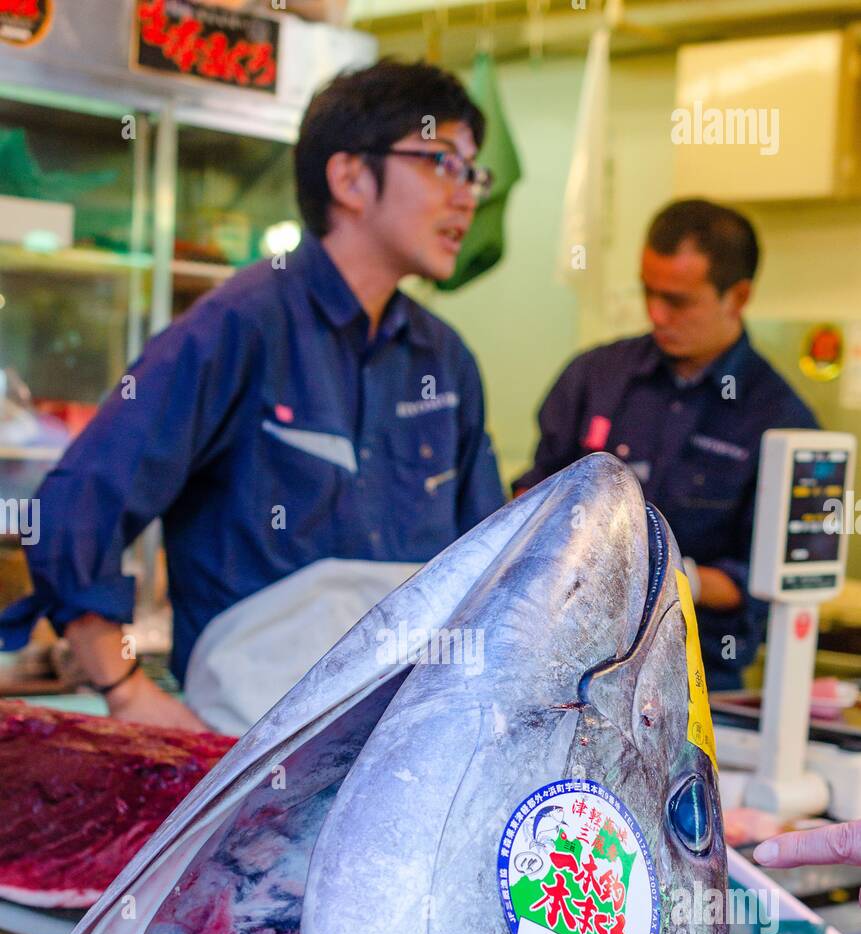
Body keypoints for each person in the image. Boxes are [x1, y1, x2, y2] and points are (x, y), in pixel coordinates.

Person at [0, 59, 504, 731]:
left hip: (402, 755)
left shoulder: (446, 362)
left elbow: (493, 571)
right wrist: (124, 689)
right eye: (441, 162)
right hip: (250, 763)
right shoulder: (239, 325)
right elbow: (74, 509)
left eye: (473, 170)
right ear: (350, 177)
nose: (466, 194)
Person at [515, 199, 818, 691]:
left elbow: (768, 581)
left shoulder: (782, 422)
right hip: (568, 671)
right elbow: (530, 500)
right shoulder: (595, 378)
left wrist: (672, 577)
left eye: (677, 300)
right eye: (648, 292)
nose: (657, 314)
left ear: (737, 297)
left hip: (696, 685)